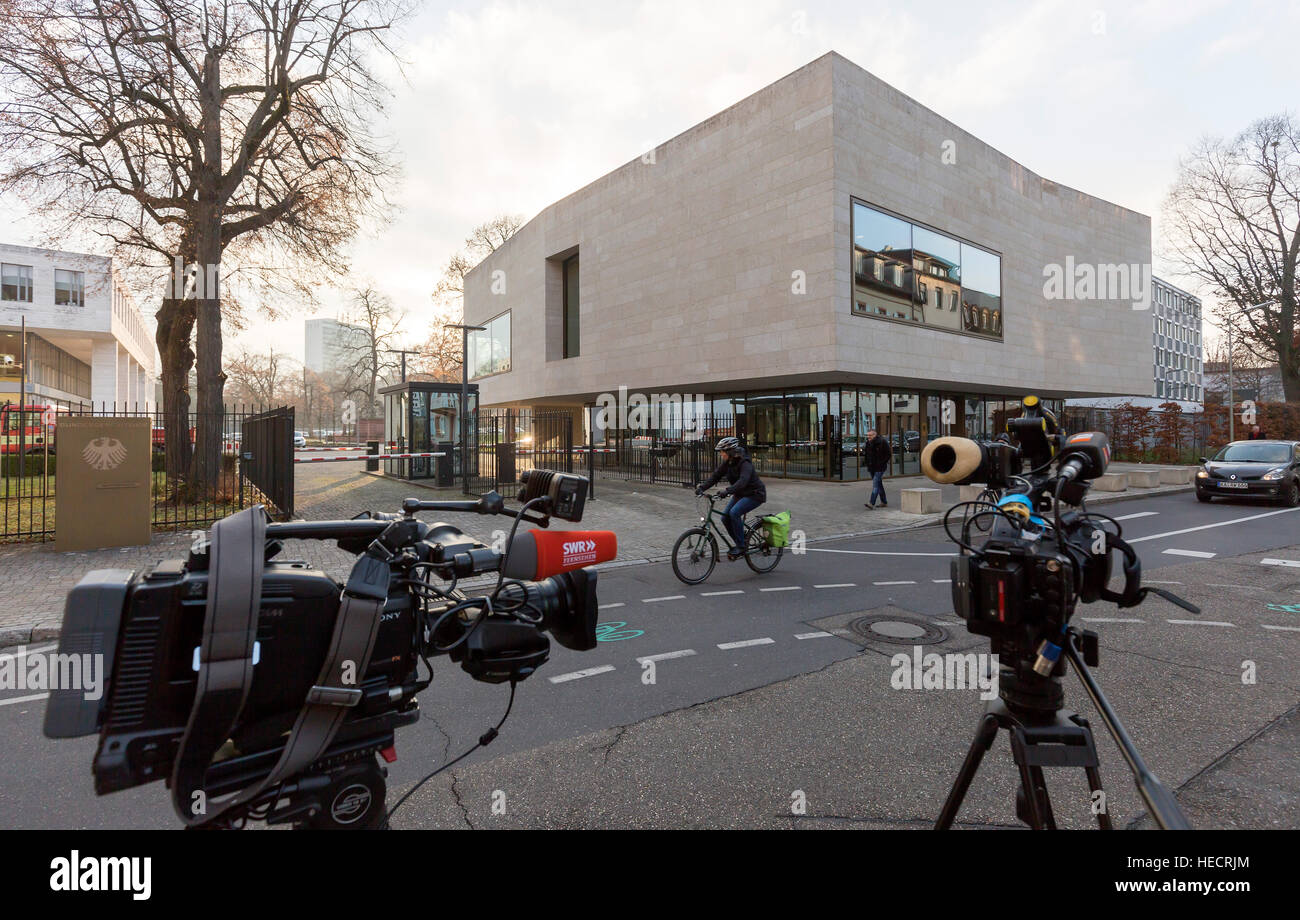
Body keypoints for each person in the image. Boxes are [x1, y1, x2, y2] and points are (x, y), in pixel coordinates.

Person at [696, 436, 766, 560]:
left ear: (730, 452)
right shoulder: (728, 463)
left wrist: (727, 491)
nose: (721, 454)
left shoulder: (745, 462)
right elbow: (716, 476)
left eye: (722, 452)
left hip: (755, 494)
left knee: (734, 513)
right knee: (725, 518)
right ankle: (740, 542)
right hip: (740, 494)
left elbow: (743, 481)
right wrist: (702, 488)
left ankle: (741, 546)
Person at [863, 428, 891, 509]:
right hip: (872, 467)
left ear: (875, 435)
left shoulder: (882, 442)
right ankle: (884, 502)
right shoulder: (868, 443)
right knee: (879, 485)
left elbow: (888, 454)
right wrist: (867, 463)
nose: (868, 437)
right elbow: (867, 455)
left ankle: (871, 503)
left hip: (880, 467)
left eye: (870, 435)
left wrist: (882, 463)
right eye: (867, 435)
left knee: (875, 485)